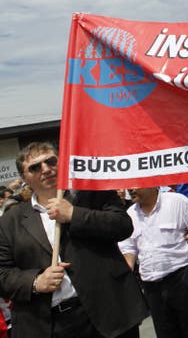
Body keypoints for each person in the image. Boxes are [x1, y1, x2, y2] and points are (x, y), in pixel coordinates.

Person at [0, 142, 148, 338]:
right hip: (51, 325)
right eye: (35, 167)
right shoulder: (11, 220)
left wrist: (74, 214)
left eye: (50, 161)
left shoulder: (91, 193)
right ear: (24, 178)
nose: (45, 169)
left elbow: (122, 226)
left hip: (109, 313)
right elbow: (3, 273)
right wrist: (35, 282)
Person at [119, 186, 188, 338]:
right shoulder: (129, 215)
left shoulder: (177, 202)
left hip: (183, 281)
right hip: (152, 289)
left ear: (152, 181)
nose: (130, 188)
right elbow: (128, 254)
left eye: (135, 183)